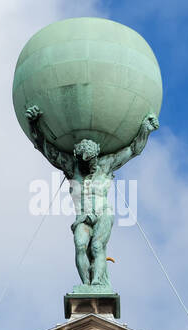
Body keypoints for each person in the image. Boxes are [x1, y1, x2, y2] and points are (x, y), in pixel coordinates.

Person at [25, 103, 158, 288]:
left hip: (103, 213)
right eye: (84, 162)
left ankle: (96, 283)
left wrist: (145, 129)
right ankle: (86, 284)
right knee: (80, 246)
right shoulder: (72, 167)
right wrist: (34, 124)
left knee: (96, 247)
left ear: (96, 155)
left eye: (91, 161)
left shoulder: (106, 165)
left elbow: (133, 150)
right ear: (78, 158)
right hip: (83, 217)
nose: (89, 166)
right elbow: (44, 147)